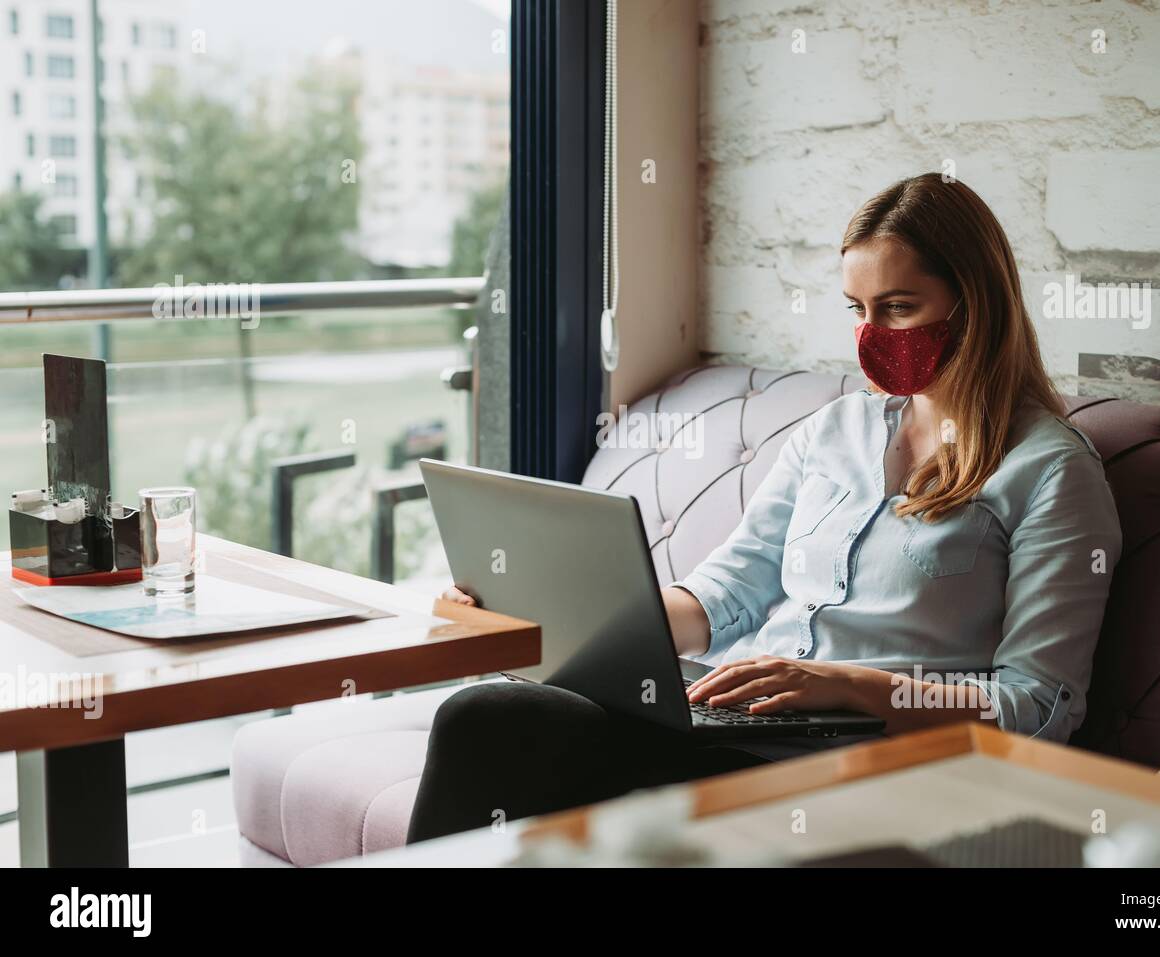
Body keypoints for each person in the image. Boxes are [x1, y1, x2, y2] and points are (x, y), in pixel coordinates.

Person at [405, 172, 1123, 844]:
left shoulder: (1052, 468)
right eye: (858, 310)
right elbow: (729, 591)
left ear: (977, 301)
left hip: (868, 759)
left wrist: (843, 684)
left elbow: (1040, 704)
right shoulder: (834, 429)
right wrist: (551, 618)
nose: (872, 333)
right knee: (490, 714)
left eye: (899, 307)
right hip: (731, 720)